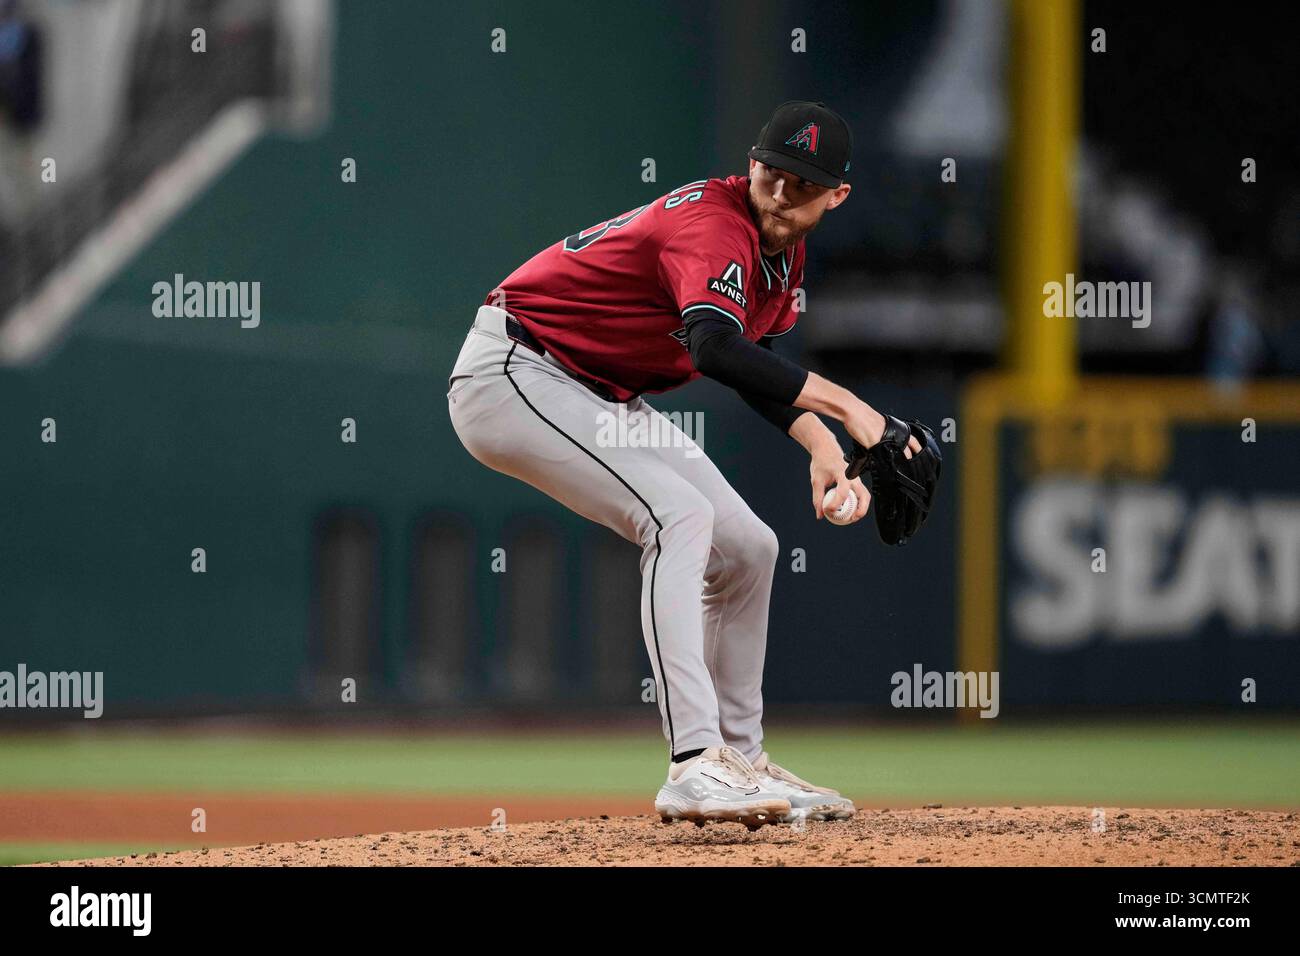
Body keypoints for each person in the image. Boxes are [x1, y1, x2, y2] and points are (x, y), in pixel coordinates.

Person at [447, 101, 920, 829]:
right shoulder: (715, 221)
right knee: (679, 515)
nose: (784, 191)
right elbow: (712, 349)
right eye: (775, 171)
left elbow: (750, 367)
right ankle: (694, 763)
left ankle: (739, 759)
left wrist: (825, 447)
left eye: (805, 182)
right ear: (754, 163)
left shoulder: (783, 254)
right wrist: (852, 410)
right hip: (514, 371)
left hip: (595, 391)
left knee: (751, 548)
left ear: (838, 195)